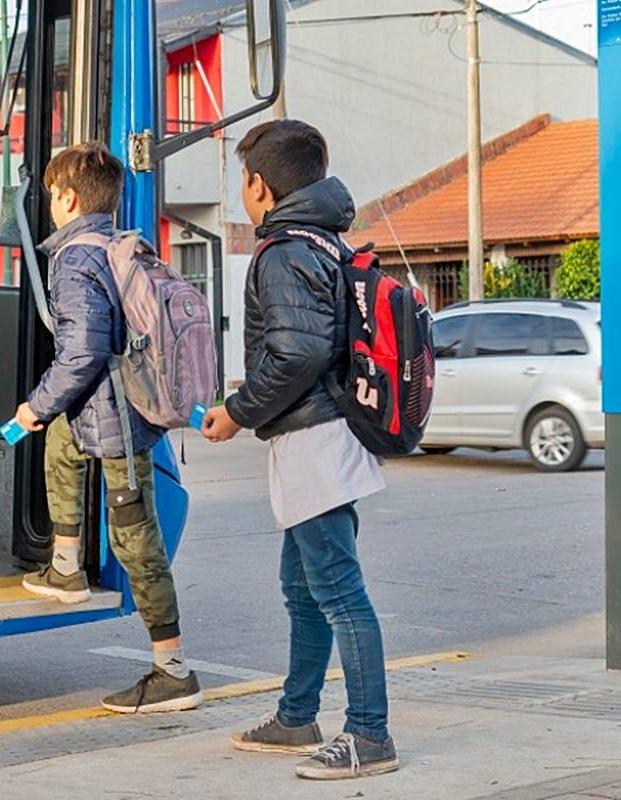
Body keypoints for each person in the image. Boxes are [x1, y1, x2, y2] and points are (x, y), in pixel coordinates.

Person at [201, 119, 399, 780]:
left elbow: (298, 354)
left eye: (242, 179)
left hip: (316, 439)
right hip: (323, 433)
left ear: (260, 185)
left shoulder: (285, 250)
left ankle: (369, 734)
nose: (242, 191)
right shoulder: (322, 240)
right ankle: (296, 718)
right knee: (303, 586)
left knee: (337, 591)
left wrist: (237, 412)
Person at [13, 141, 203, 715]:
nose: (50, 204)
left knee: (135, 539)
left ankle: (173, 671)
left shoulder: (75, 260)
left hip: (117, 419)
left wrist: (35, 405)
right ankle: (66, 566)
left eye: (53, 195)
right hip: (117, 408)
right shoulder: (121, 246)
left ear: (69, 199)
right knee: (61, 445)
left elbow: (82, 352)